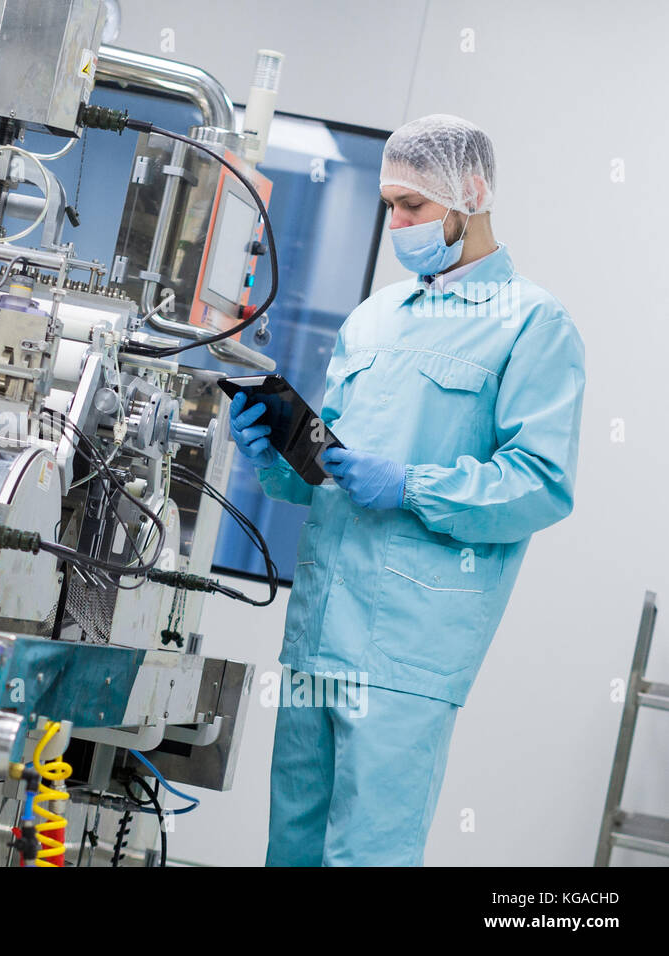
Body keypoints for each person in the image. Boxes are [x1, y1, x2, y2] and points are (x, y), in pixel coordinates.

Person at [229, 114, 586, 866]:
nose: (397, 223)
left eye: (413, 207)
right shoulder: (373, 319)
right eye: (390, 205)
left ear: (472, 195)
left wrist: (412, 486)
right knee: (290, 849)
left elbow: (541, 485)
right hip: (320, 634)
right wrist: (272, 454)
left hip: (408, 652)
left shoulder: (532, 325)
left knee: (369, 856)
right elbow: (331, 476)